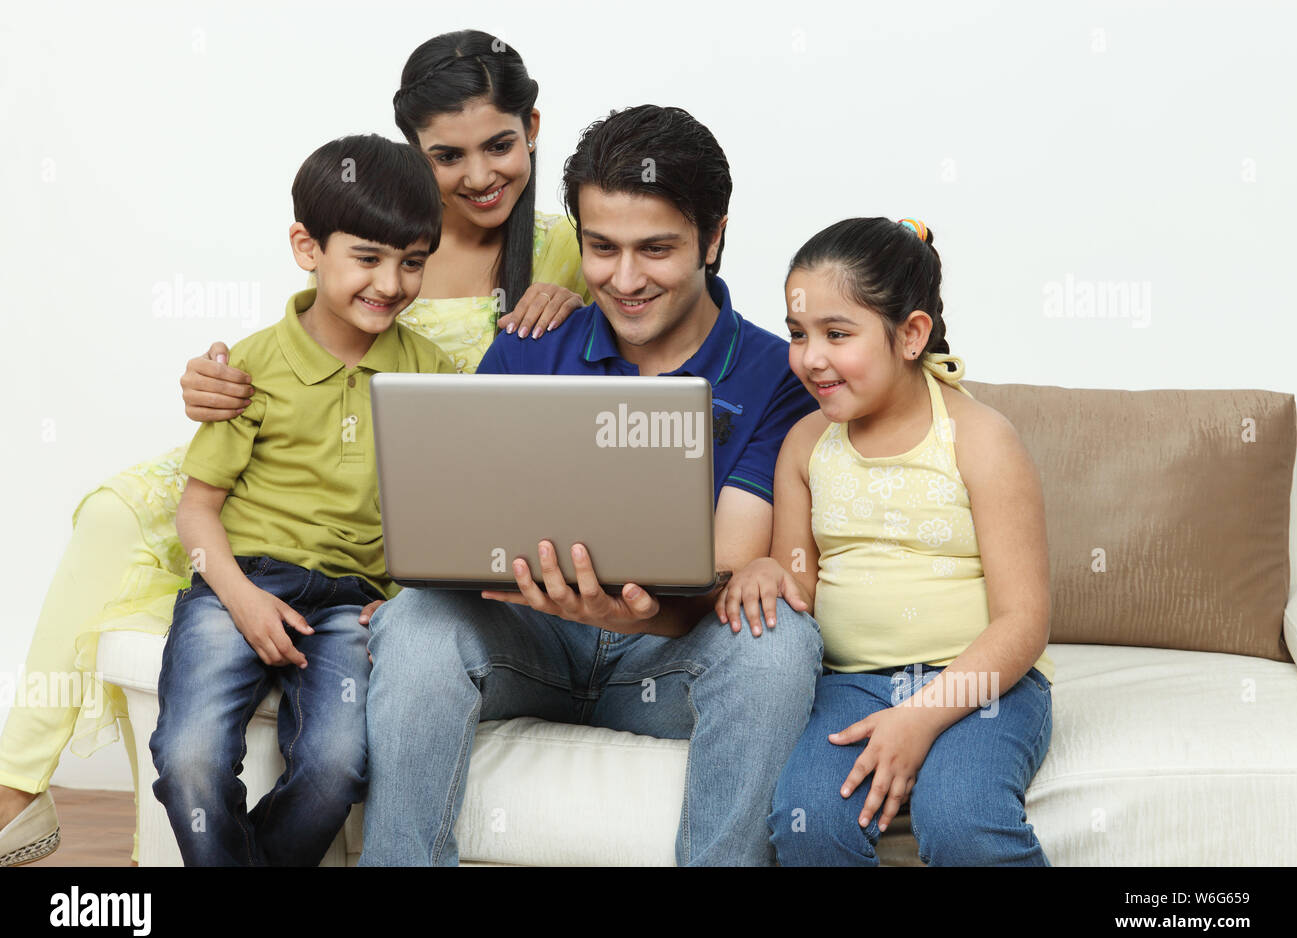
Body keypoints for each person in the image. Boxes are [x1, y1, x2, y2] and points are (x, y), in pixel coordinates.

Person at [0, 29, 584, 865]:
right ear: (412, 156)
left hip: (399, 481)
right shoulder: (384, 223)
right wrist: (211, 378)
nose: (481, 175)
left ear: (533, 127)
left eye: (500, 145)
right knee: (111, 517)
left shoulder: (568, 246)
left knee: (333, 752)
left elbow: (644, 332)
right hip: (296, 438)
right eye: (447, 155)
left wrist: (581, 306)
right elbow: (311, 335)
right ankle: (17, 783)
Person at [358, 105, 825, 868]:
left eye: (657, 249)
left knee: (780, 643)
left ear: (714, 237)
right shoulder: (531, 347)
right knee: (416, 623)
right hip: (530, 642)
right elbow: (458, 512)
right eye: (602, 249)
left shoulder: (778, 373)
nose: (626, 279)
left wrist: (625, 614)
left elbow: (731, 571)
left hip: (670, 657)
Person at [149, 133, 457, 866]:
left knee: (338, 765)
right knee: (189, 759)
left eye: (413, 262)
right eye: (369, 257)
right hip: (241, 581)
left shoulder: (432, 375)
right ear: (307, 246)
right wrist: (242, 598)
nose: (391, 282)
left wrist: (415, 595)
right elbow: (197, 509)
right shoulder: (249, 367)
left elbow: (447, 512)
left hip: (353, 605)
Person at [717, 217, 1055, 866]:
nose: (810, 356)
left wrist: (922, 716)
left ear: (911, 334)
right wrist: (766, 570)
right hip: (850, 685)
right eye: (797, 334)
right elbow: (801, 587)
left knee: (961, 820)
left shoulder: (981, 439)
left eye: (836, 334)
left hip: (978, 685)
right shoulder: (805, 446)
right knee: (807, 822)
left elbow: (1025, 620)